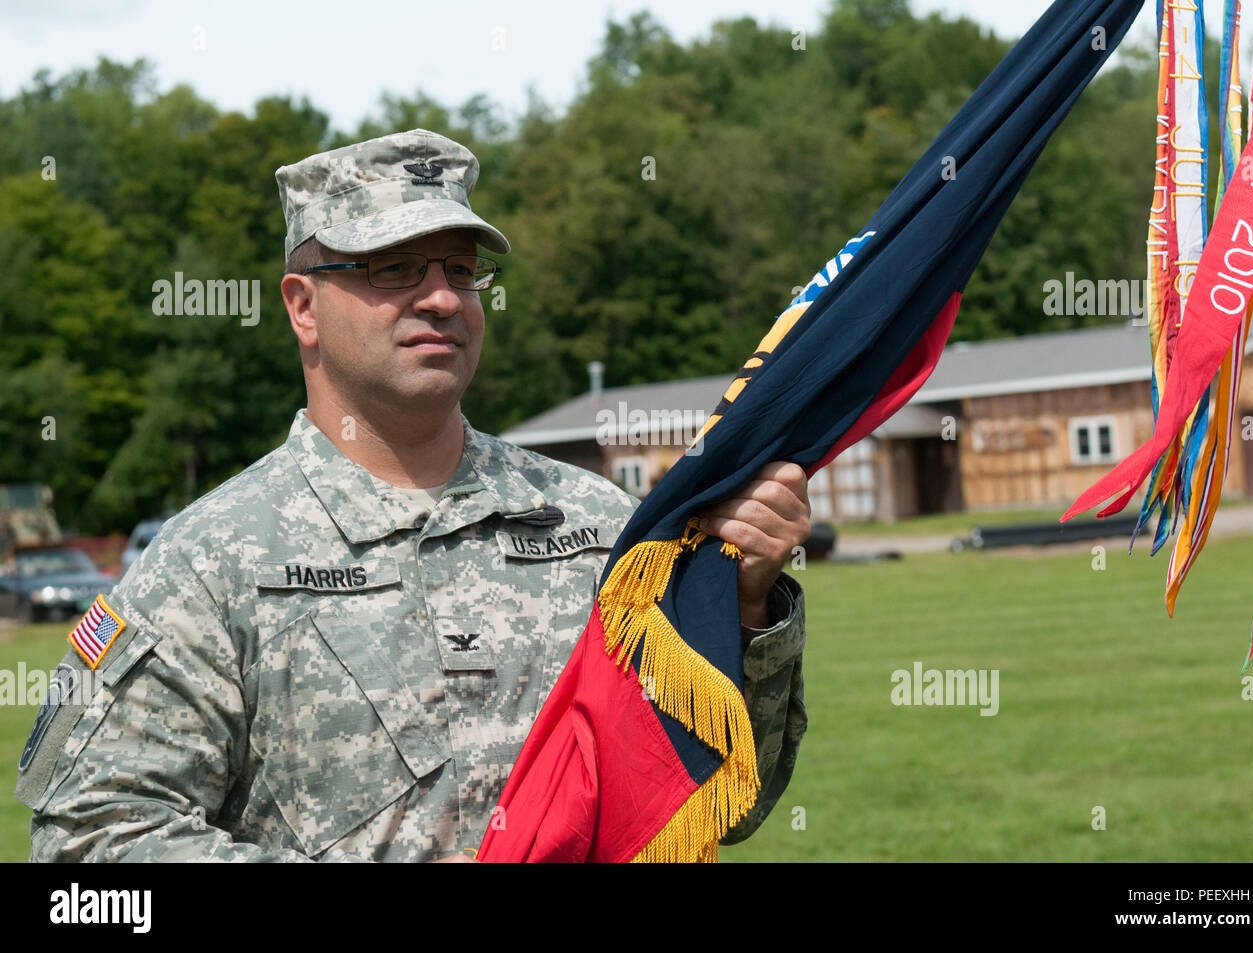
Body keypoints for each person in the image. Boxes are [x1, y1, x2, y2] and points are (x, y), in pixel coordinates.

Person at [16, 129, 811, 862]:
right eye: (394, 267)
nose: (441, 298)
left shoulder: (599, 528)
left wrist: (742, 609)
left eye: (459, 271)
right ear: (302, 306)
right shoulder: (209, 562)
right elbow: (89, 847)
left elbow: (718, 804)